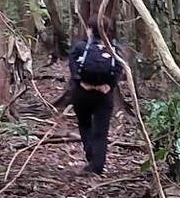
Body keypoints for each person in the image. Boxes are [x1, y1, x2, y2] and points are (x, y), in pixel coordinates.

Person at [55, 25, 128, 175]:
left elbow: (72, 63)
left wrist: (80, 82)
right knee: (101, 131)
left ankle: (91, 156)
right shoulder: (114, 48)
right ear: (106, 31)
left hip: (82, 93)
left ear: (89, 29)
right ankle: (97, 165)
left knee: (84, 124)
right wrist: (110, 85)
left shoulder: (81, 47)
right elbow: (120, 68)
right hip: (104, 94)